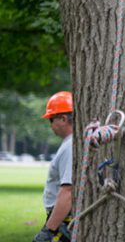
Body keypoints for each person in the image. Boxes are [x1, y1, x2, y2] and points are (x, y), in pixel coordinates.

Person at [33, 92, 74, 242]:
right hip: (62, 219)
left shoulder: (70, 146)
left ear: (63, 119)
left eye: (51, 119)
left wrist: (49, 230)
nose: (50, 125)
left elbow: (68, 191)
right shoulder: (70, 143)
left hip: (63, 221)